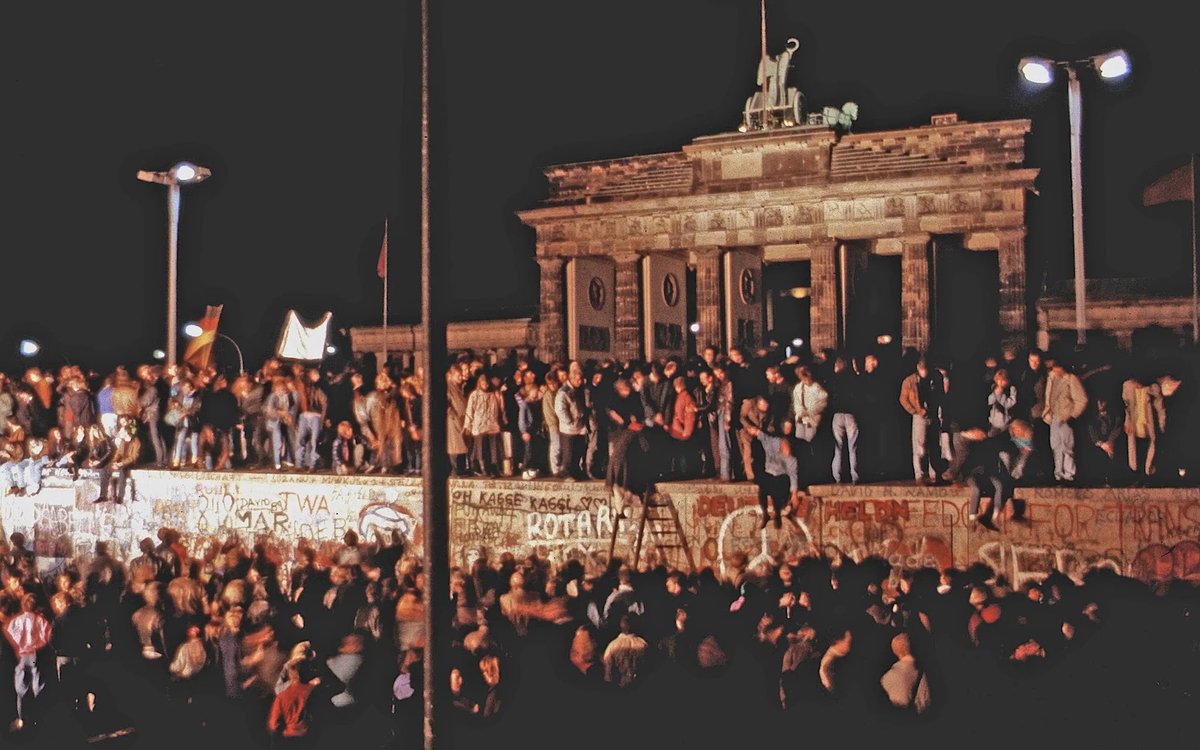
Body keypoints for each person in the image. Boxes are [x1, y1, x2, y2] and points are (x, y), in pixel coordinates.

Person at [5, 594, 52, 732]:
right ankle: (41, 713)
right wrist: (38, 644)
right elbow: (47, 634)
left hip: (21, 654)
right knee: (37, 682)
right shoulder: (39, 620)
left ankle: (22, 717)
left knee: (21, 686)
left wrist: (19, 644)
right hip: (35, 653)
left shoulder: (16, 620)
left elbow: (9, 631)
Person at [1043, 356, 1088, 483]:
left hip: (1066, 417)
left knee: (1067, 446)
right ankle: (1058, 474)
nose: (1056, 371)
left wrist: (1073, 415)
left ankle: (1069, 474)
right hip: (1054, 416)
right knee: (1056, 446)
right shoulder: (1052, 377)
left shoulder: (1071, 379)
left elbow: (1081, 399)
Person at [879, 632, 931, 714]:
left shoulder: (887, 678)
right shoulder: (929, 670)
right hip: (923, 718)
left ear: (895, 651)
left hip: (900, 719)